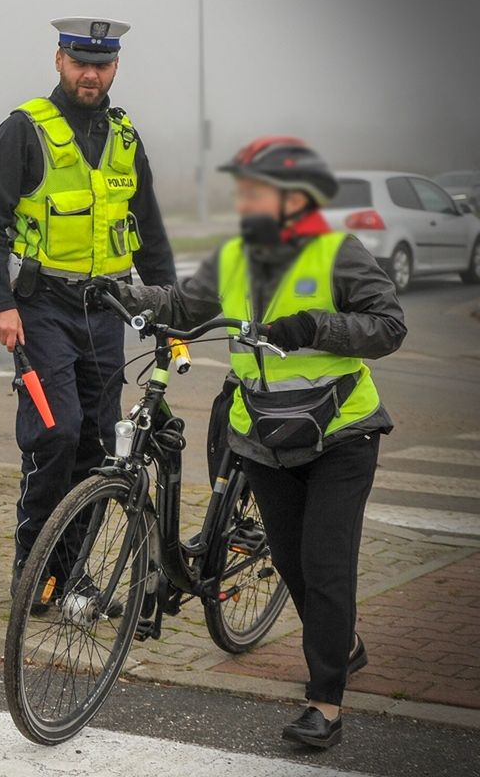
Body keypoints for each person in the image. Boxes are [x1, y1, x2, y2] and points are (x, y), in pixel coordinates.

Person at [101, 136, 405, 748]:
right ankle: (341, 641)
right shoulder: (234, 257)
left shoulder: (337, 253)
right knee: (292, 564)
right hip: (264, 436)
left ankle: (325, 706)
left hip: (341, 434)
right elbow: (182, 305)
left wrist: (313, 327)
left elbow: (388, 326)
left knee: (323, 566)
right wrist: (120, 292)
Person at [0, 17, 176, 595]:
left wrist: (171, 309)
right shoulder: (22, 131)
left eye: (102, 65)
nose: (91, 74)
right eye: (80, 62)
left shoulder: (125, 137)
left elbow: (151, 233)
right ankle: (31, 571)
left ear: (115, 68)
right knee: (56, 434)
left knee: (100, 446)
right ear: (59, 61)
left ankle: (71, 573)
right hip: (42, 309)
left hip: (106, 312)